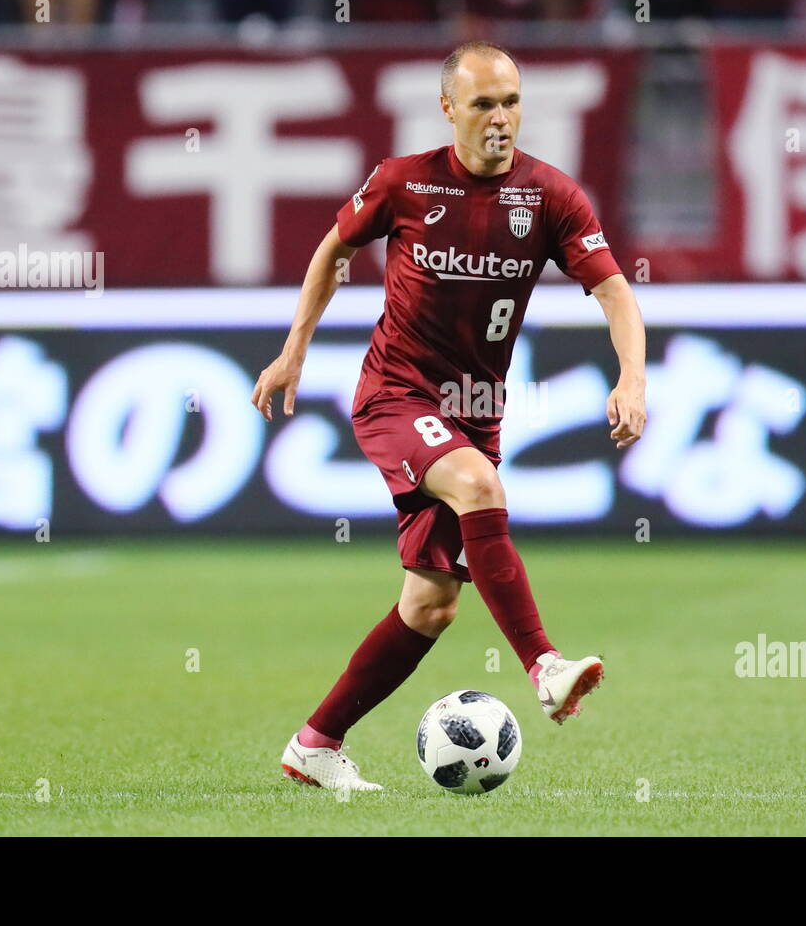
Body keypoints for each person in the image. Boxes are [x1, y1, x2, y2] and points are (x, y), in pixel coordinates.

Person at [251, 40, 647, 791]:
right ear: (447, 110)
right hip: (397, 396)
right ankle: (544, 666)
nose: (501, 120)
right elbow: (334, 249)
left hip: (476, 413)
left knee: (430, 606)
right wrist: (294, 350)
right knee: (478, 488)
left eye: (511, 103)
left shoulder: (553, 197)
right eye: (483, 105)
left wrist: (633, 376)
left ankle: (316, 743)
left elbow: (616, 293)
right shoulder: (404, 183)